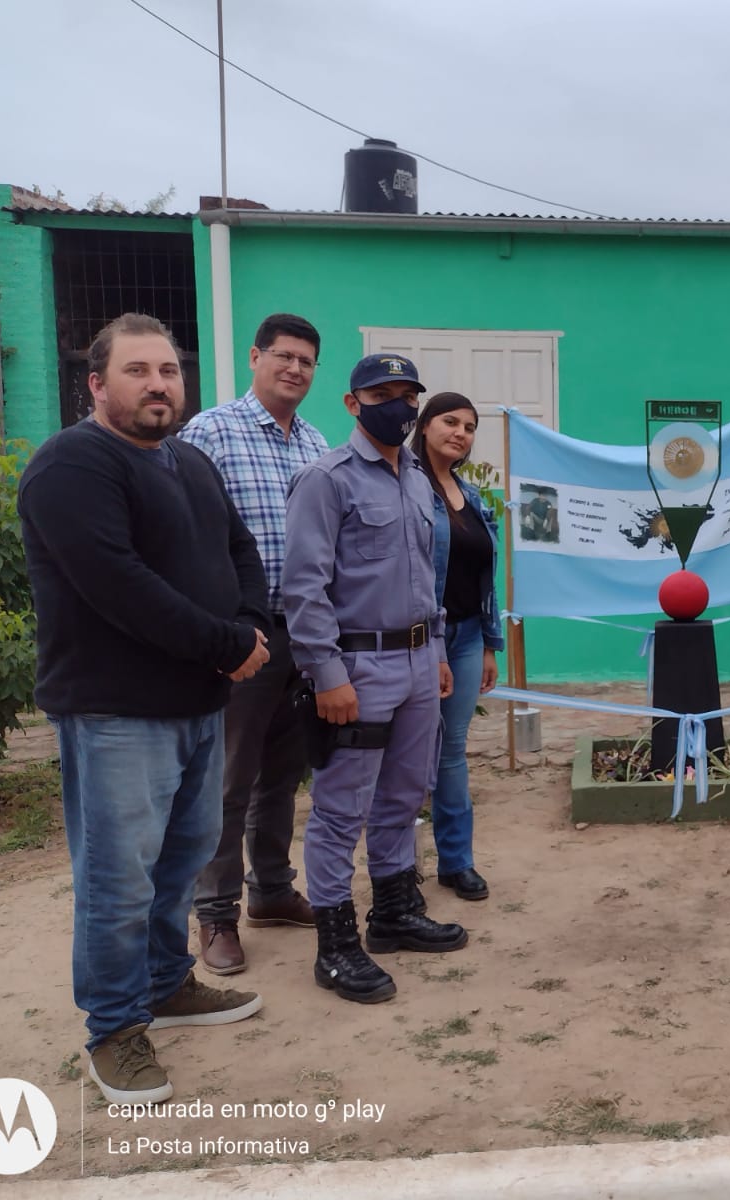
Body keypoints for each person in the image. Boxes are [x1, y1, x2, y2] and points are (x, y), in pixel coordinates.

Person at [17, 313, 272, 1104]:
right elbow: (119, 586)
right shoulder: (71, 467)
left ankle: (167, 984)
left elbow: (240, 550)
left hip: (197, 704)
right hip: (115, 712)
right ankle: (114, 1030)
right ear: (97, 384)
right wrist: (225, 645)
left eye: (167, 369)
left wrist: (254, 626)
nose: (158, 383)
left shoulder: (189, 462)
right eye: (137, 371)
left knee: (182, 858)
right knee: (117, 880)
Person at [283, 352, 468, 1006]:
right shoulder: (325, 480)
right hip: (358, 669)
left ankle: (393, 913)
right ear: (352, 402)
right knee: (340, 809)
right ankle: (335, 946)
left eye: (407, 393)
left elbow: (428, 575)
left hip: (421, 661)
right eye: (382, 393)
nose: (399, 404)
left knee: (403, 794)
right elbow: (303, 589)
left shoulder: (417, 475)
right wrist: (326, 672)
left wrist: (438, 647)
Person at [178, 313, 329, 975]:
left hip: (306, 632)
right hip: (244, 631)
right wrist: (216, 628)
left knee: (281, 774)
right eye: (284, 356)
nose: (294, 369)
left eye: (306, 361)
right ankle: (215, 917)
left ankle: (271, 891)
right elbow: (180, 531)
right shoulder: (211, 432)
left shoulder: (316, 444)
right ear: (255, 357)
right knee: (228, 780)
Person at [410, 392, 504, 902]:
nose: (460, 433)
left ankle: (456, 861)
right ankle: (399, 870)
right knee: (407, 753)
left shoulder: (472, 498)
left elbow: (483, 577)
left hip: (468, 636)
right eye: (450, 421)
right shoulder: (406, 489)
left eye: (469, 427)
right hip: (423, 638)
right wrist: (436, 648)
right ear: (424, 426)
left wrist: (489, 643)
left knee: (452, 752)